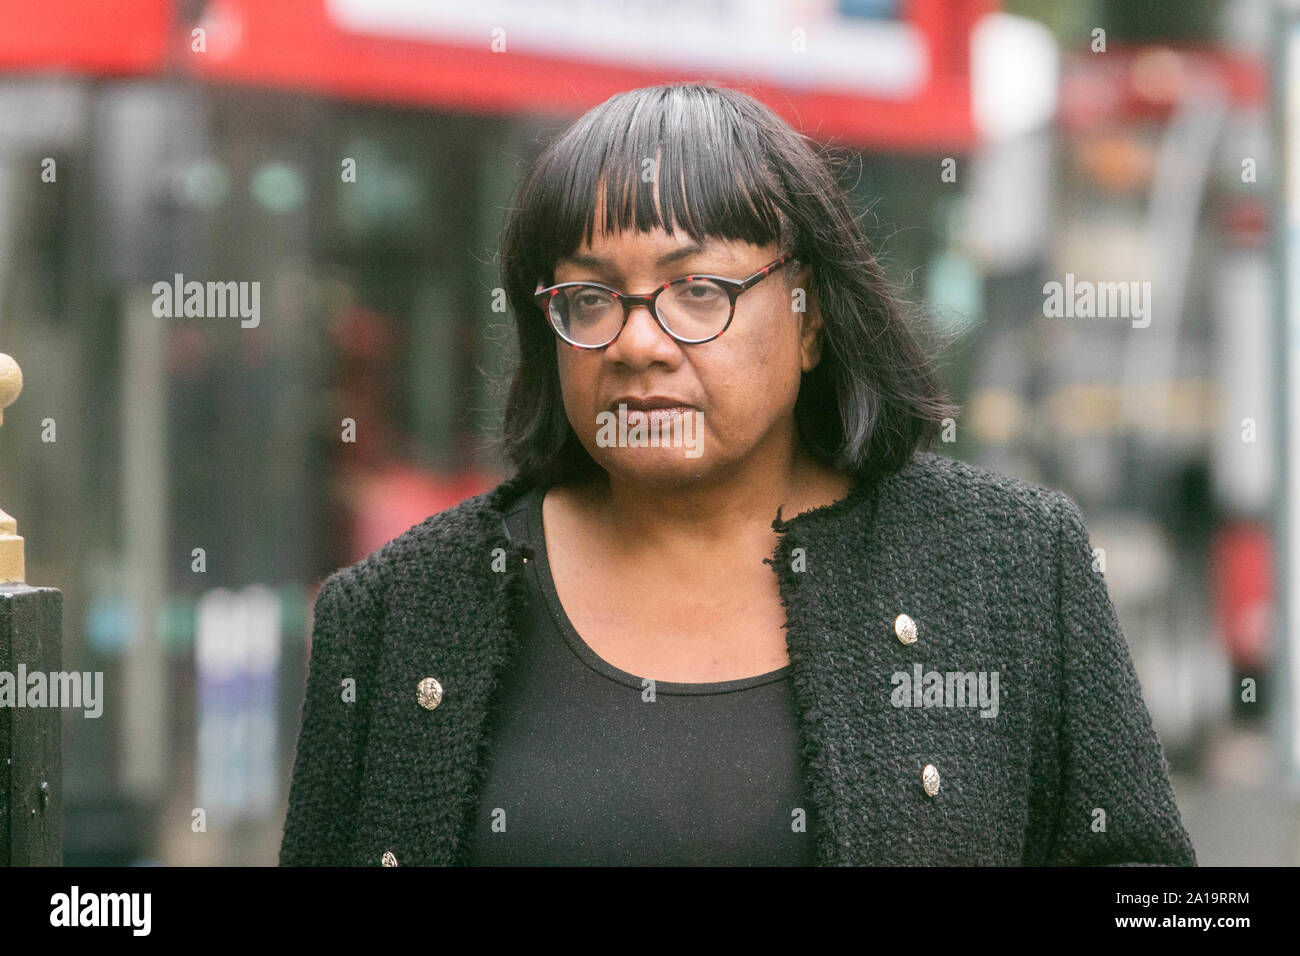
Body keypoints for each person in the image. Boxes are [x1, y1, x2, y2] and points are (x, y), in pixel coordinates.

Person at [280, 82, 1196, 866]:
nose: (639, 342)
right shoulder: (398, 611)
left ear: (809, 319)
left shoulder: (1014, 568)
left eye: (698, 291)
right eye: (592, 298)